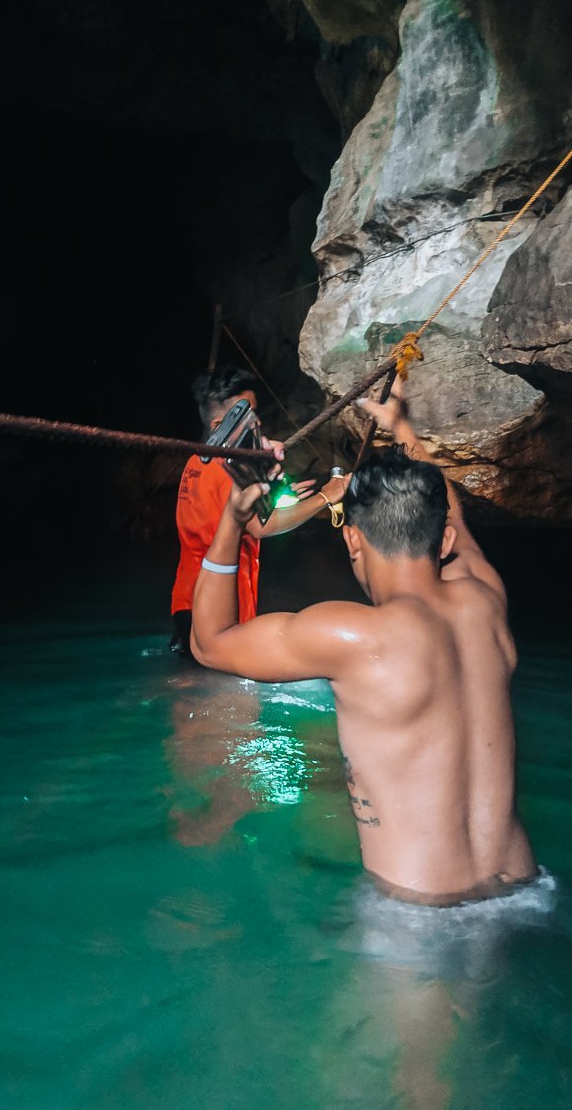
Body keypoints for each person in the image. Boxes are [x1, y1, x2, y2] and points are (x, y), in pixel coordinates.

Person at [190, 378, 538, 906]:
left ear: (352, 538)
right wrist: (401, 428)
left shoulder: (351, 634)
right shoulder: (485, 600)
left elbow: (209, 644)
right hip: (528, 890)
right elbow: (453, 517)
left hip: (424, 910)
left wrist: (232, 523)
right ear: (442, 539)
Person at [169, 365, 348, 656]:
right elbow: (261, 527)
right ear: (219, 426)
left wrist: (277, 495)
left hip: (187, 602)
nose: (258, 421)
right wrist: (326, 497)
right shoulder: (229, 468)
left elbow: (223, 514)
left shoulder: (195, 463)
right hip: (221, 606)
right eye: (246, 414)